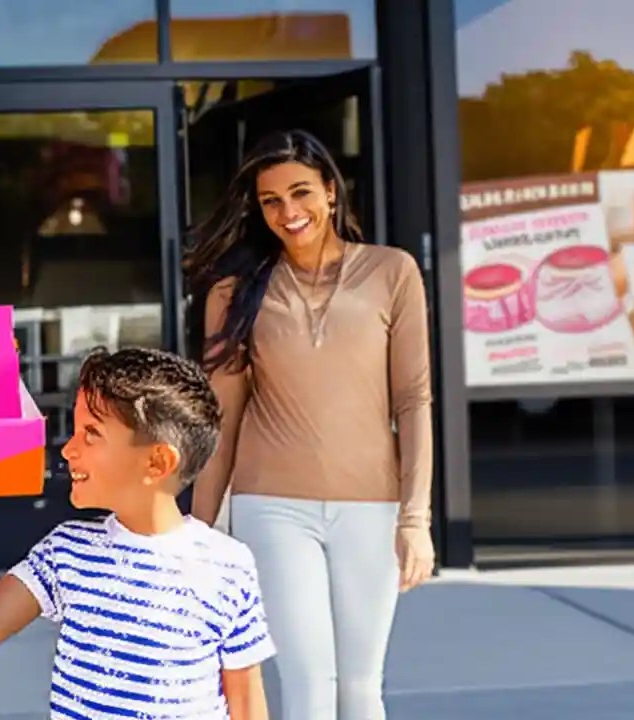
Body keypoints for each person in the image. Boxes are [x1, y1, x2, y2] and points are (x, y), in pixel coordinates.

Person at [0, 347, 277, 720]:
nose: (69, 449)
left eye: (91, 434)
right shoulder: (67, 551)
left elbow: (245, 701)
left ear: (157, 463)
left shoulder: (228, 566)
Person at [183, 129, 436, 720]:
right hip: (272, 504)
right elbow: (222, 413)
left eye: (300, 193)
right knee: (309, 684)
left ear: (329, 190)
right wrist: (197, 530)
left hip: (371, 504)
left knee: (361, 688)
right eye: (271, 201)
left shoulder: (391, 271)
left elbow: (414, 399)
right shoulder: (235, 290)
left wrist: (415, 518)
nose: (288, 212)